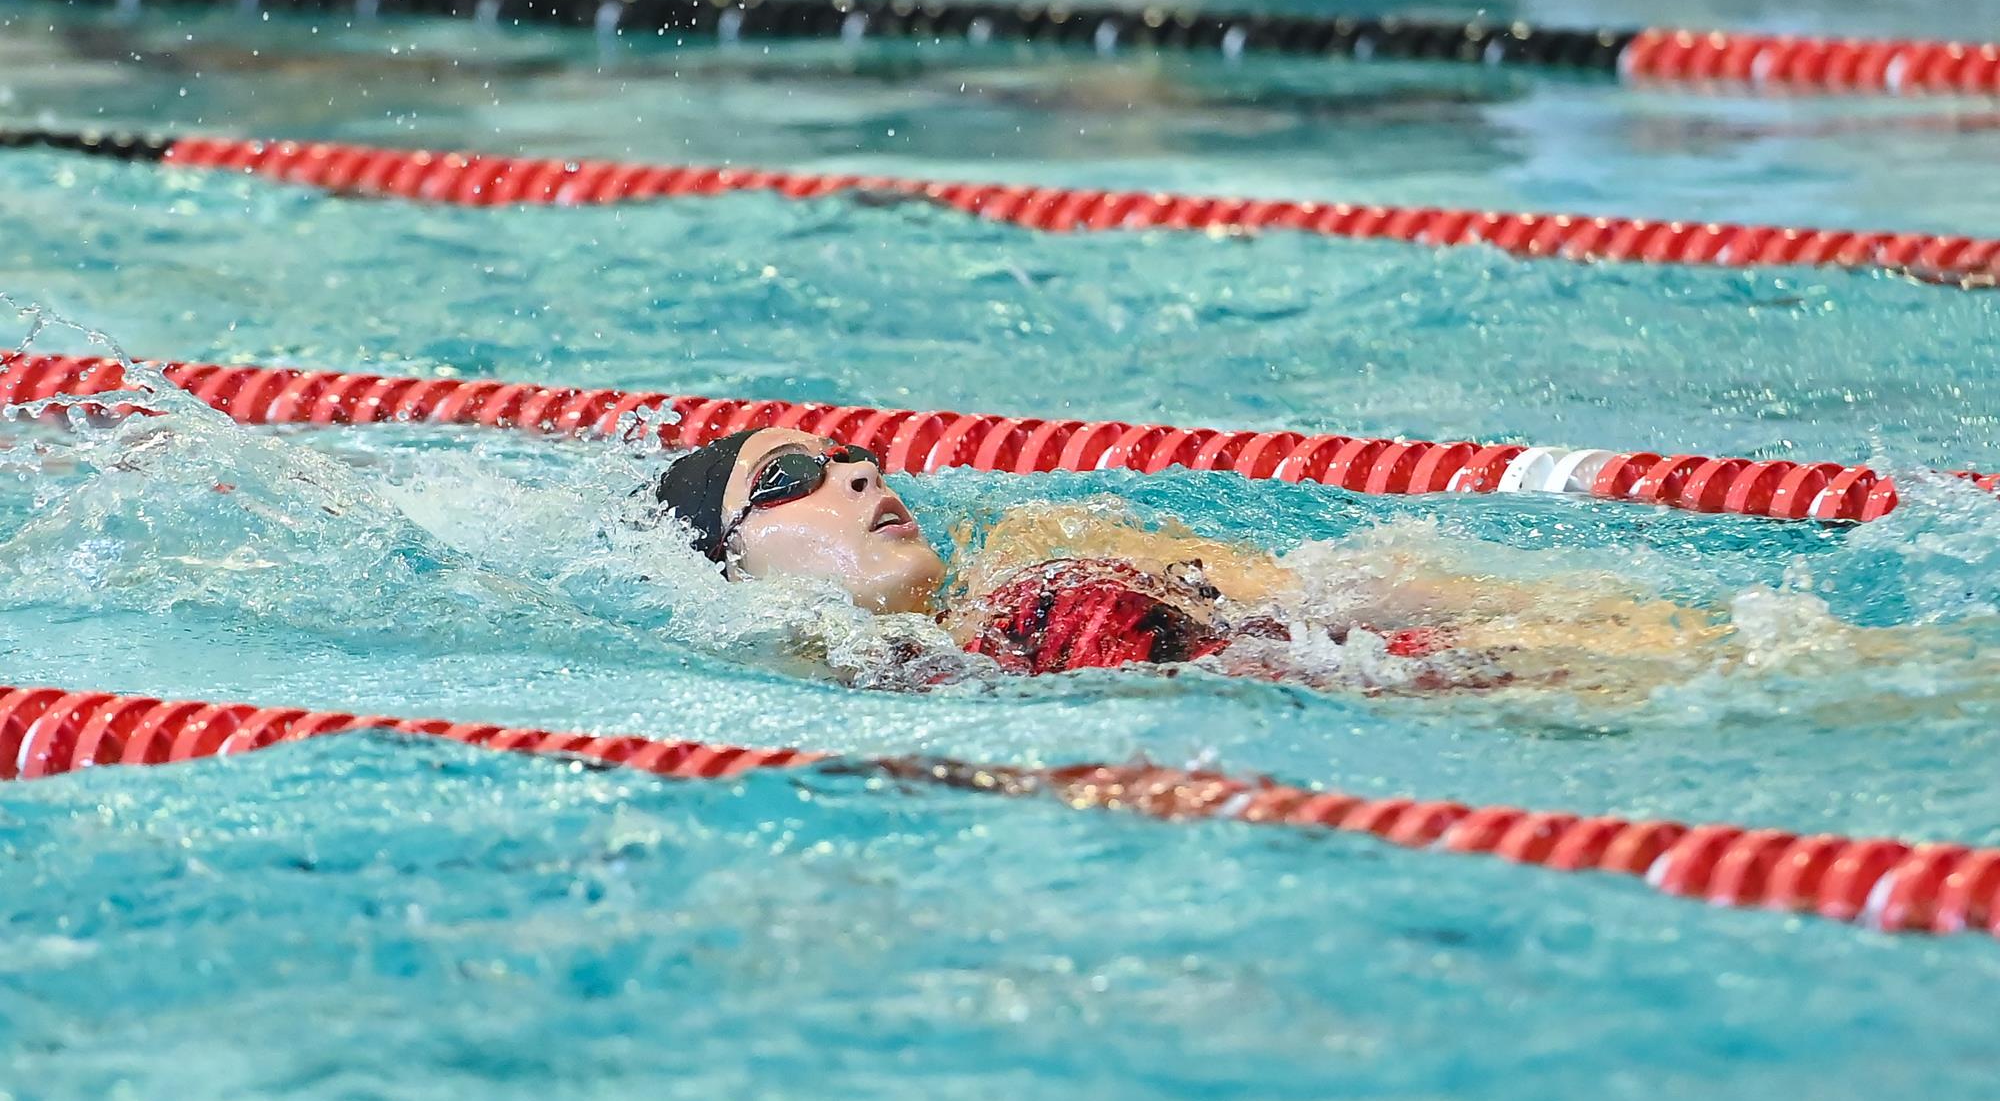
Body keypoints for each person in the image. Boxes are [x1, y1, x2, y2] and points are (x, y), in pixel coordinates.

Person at [649, 426, 1760, 698]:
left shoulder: (1038, 560)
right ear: (722, 566)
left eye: (855, 458)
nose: (853, 475)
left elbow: (1345, 581)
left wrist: (1611, 637)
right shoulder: (795, 695)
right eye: (789, 479)